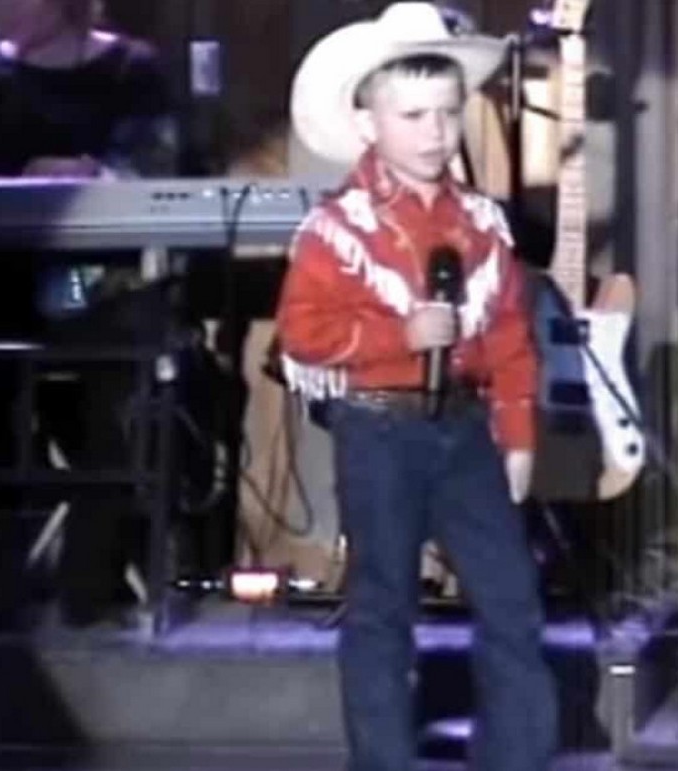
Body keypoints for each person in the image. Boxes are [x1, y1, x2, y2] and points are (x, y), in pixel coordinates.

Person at [278, 4, 555, 769]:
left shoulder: (481, 223)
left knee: (510, 598)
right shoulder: (338, 229)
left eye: (445, 113)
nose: (434, 132)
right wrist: (398, 337)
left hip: (467, 432)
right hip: (381, 431)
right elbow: (303, 332)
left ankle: (517, 756)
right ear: (368, 123)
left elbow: (508, 333)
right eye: (412, 116)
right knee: (381, 611)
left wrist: (519, 431)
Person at [0, 0, 180, 629]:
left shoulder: (129, 70)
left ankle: (87, 583)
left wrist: (91, 174)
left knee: (112, 354)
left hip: (85, 280)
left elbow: (158, 171)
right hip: (4, 283)